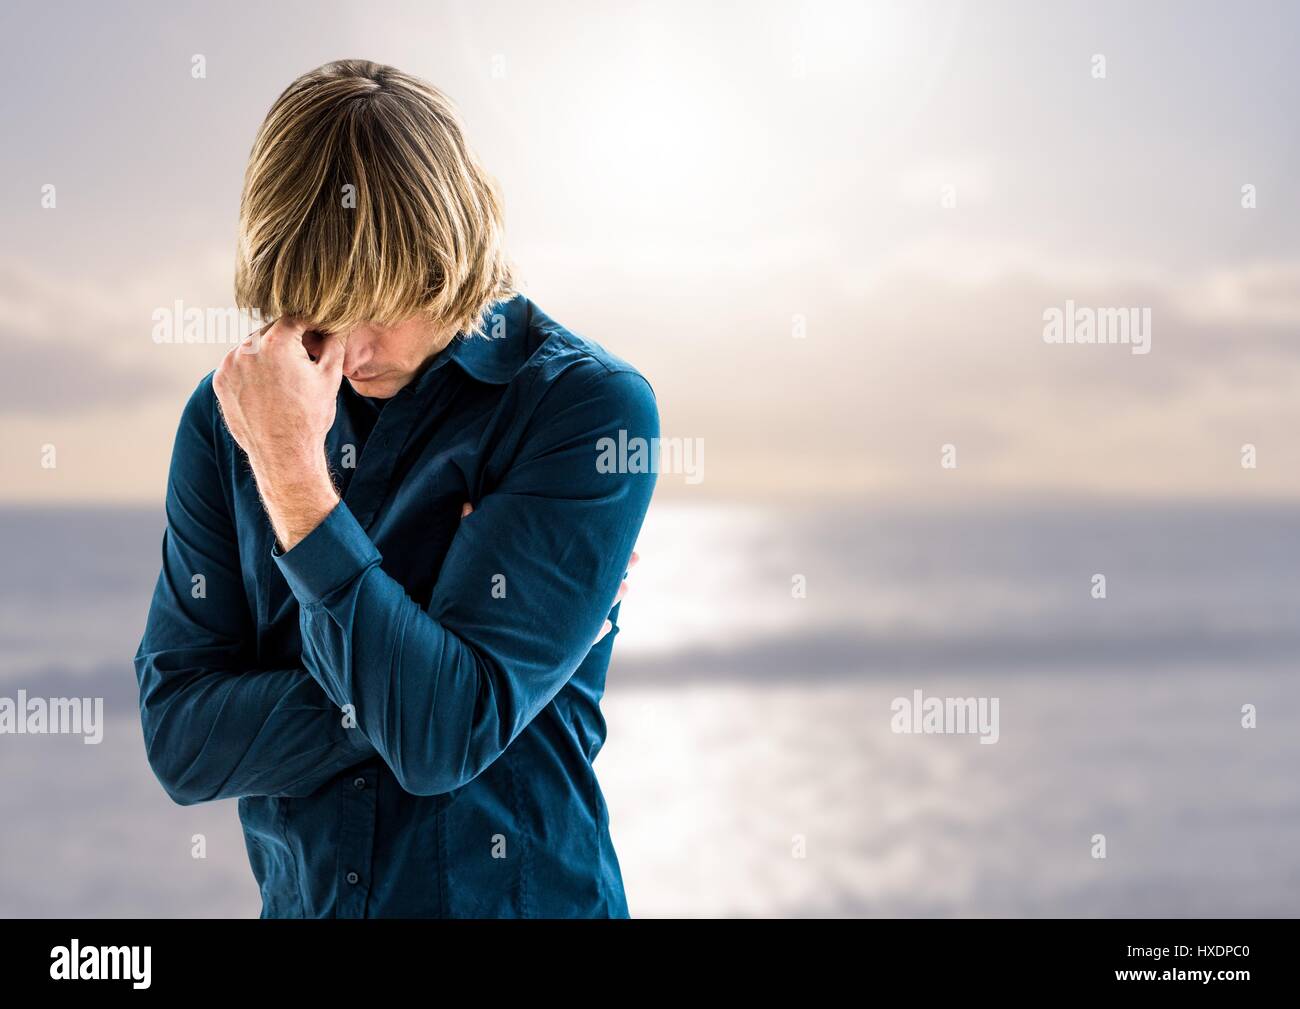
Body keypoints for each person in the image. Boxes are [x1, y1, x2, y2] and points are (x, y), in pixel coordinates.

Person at [132, 59, 658, 918]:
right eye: (328, 308)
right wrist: (417, 663)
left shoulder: (589, 410)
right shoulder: (227, 415)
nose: (358, 347)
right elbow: (182, 742)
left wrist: (297, 483)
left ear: (453, 256)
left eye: (388, 302)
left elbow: (440, 736)